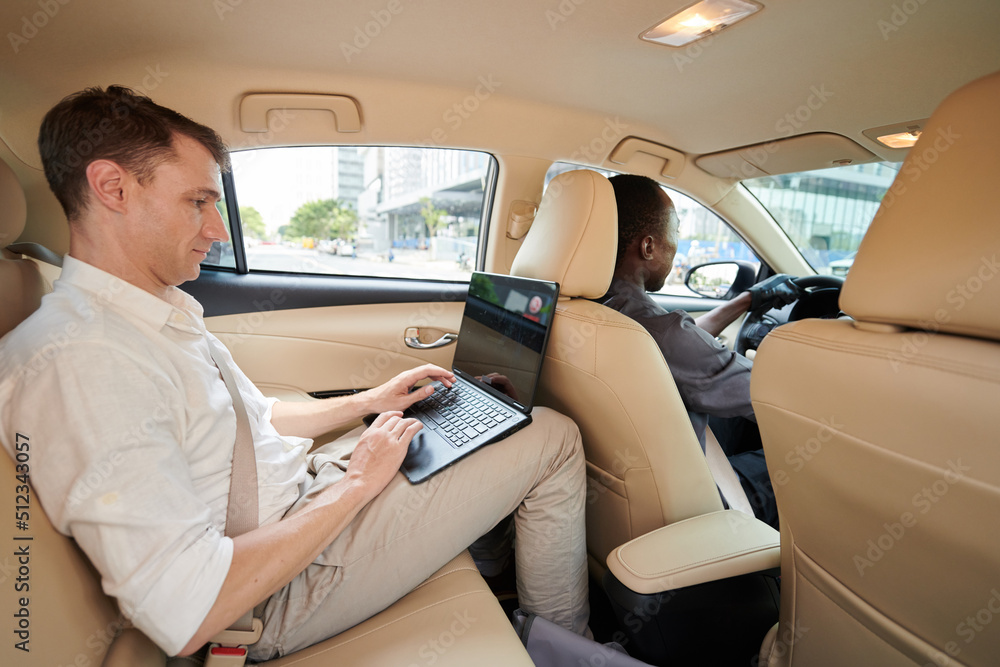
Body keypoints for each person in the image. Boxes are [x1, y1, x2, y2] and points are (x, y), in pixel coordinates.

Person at [0, 86, 588, 660]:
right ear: (112, 187)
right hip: (268, 596)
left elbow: (256, 419)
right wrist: (358, 484)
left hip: (303, 497)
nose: (218, 229)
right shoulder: (80, 361)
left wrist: (371, 399)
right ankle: (568, 650)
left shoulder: (155, 314)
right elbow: (191, 606)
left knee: (464, 418)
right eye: (198, 201)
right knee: (553, 435)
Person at [601, 174, 801, 528]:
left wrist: (747, 301)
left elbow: (679, 345)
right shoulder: (658, 332)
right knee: (803, 458)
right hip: (695, 504)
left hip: (626, 491)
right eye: (675, 232)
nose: (677, 243)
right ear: (648, 247)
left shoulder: (592, 307)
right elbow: (773, 399)